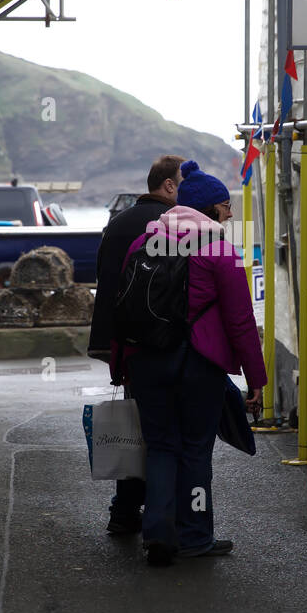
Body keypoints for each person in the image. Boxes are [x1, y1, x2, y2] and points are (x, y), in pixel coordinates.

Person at [116, 160, 264, 566]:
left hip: (146, 360)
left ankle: (158, 533)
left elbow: (121, 306)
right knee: (195, 450)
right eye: (225, 205)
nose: (231, 213)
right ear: (208, 210)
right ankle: (195, 535)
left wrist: (119, 364)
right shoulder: (220, 250)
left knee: (161, 446)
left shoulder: (141, 243)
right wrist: (256, 377)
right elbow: (240, 321)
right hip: (199, 364)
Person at [88, 155, 185, 534]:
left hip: (123, 343)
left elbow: (104, 279)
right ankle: (165, 516)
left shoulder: (118, 223)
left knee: (135, 429)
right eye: (182, 184)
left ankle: (124, 511)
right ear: (169, 185)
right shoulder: (171, 225)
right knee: (163, 435)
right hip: (162, 343)